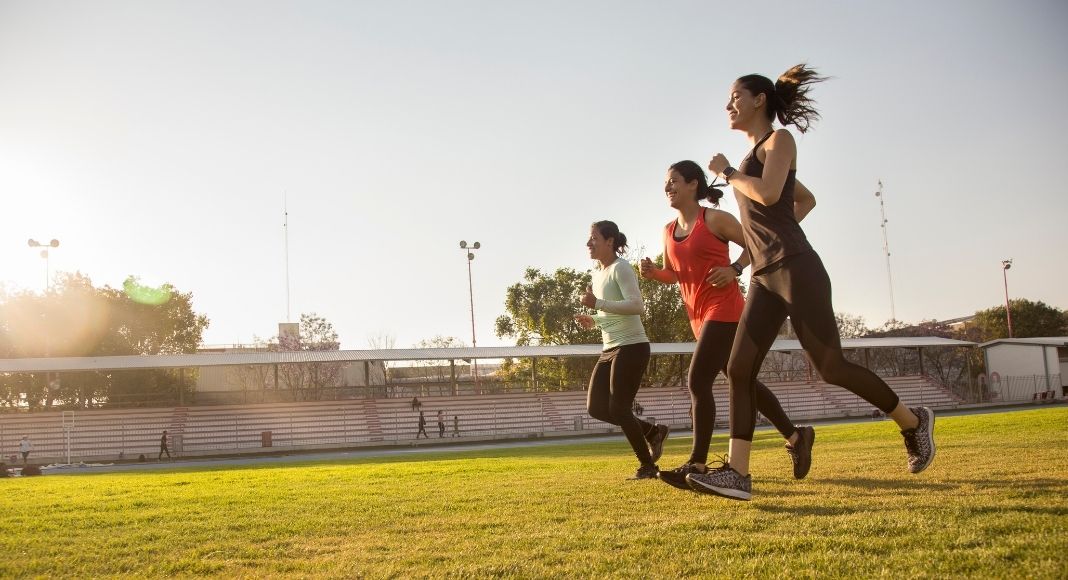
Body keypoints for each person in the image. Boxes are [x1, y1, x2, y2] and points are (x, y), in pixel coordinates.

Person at [687, 64, 935, 501]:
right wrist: (749, 253)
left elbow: (767, 194)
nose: (729, 105)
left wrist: (729, 175)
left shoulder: (779, 140)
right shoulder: (749, 159)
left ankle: (914, 422)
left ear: (760, 99)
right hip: (765, 276)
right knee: (738, 368)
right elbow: (798, 200)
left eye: (735, 97)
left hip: (797, 266)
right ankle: (738, 474)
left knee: (831, 367)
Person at [640, 160, 815, 490]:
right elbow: (674, 274)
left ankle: (697, 462)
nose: (668, 187)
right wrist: (653, 273)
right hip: (698, 316)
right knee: (744, 382)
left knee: (697, 380)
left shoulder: (715, 219)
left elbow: (755, 241)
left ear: (693, 184)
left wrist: (735, 268)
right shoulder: (667, 230)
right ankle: (796, 436)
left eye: (674, 181)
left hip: (726, 309)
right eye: (666, 183)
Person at [574, 220, 668, 480]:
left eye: (593, 237)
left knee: (619, 408)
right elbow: (611, 312)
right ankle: (651, 431)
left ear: (609, 241)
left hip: (632, 346)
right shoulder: (598, 273)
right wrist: (593, 320)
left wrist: (597, 303)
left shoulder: (621, 268)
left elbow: (637, 306)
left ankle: (648, 466)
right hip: (610, 348)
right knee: (596, 408)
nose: (588, 243)